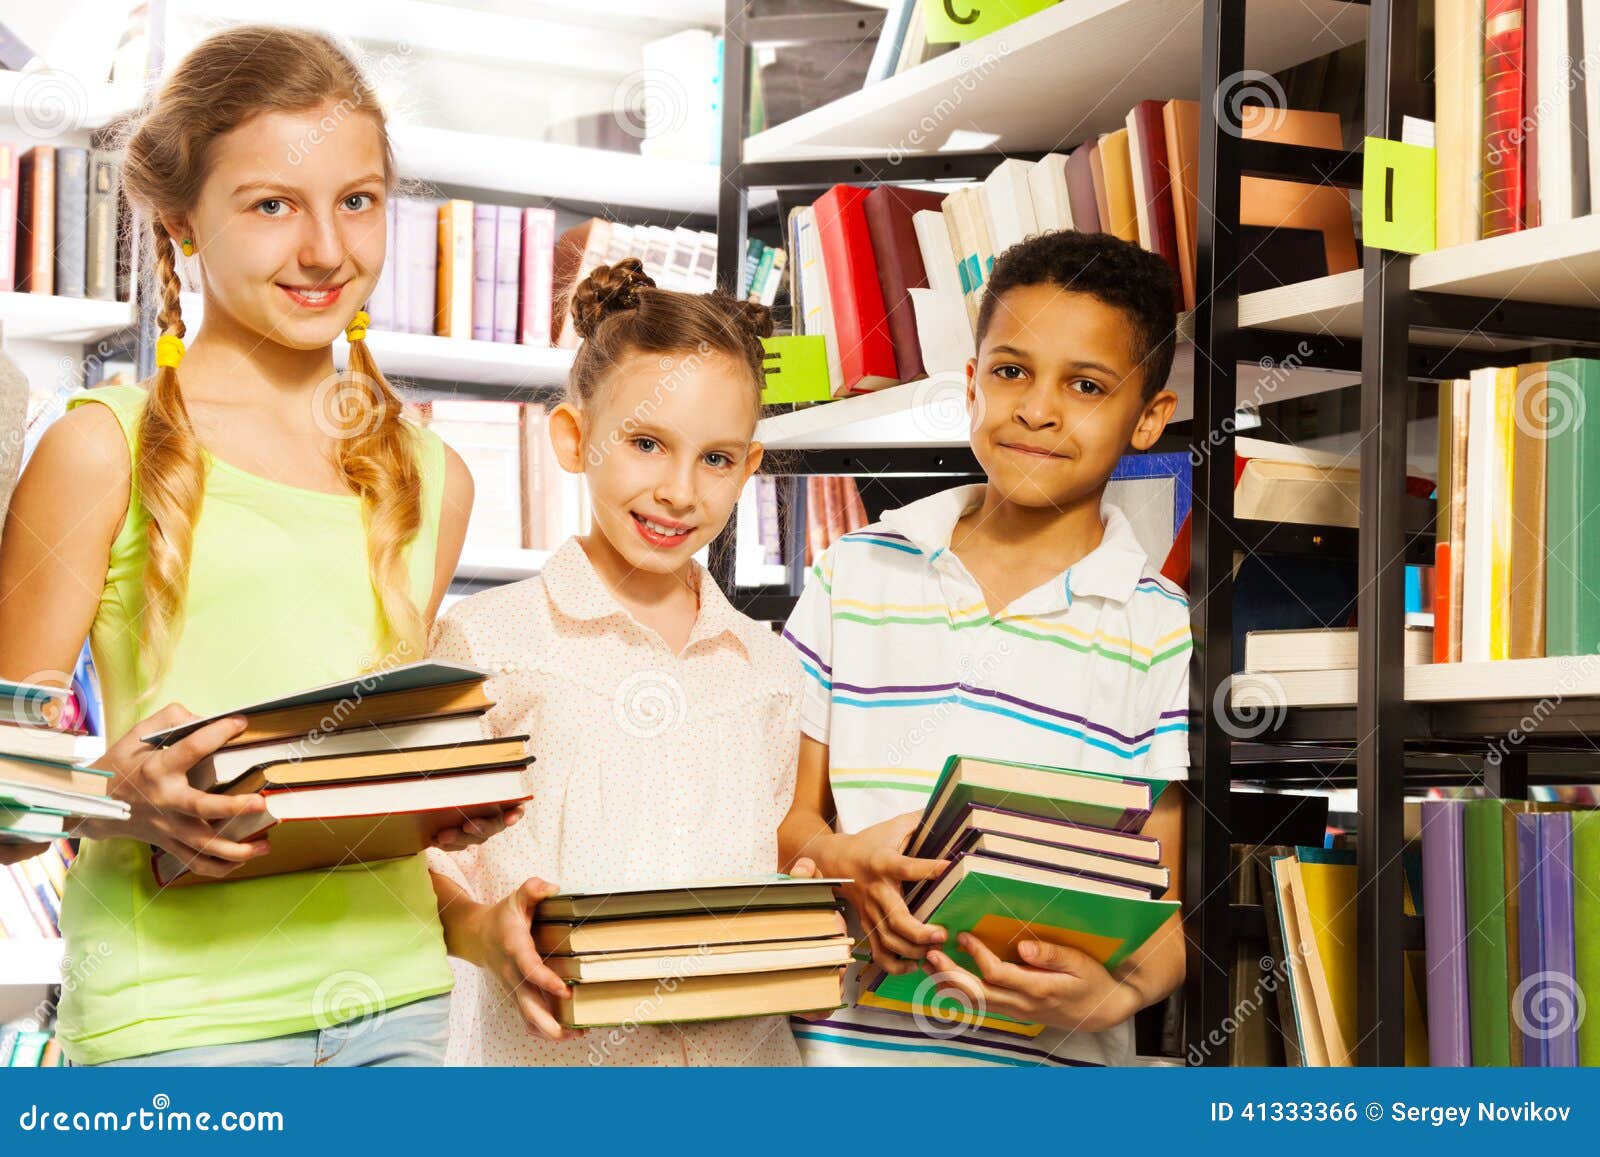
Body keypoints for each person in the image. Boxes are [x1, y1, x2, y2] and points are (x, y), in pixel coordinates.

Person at [0, 25, 516, 1065]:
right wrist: (118, 796)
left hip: (404, 1006)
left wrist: (439, 816)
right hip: (175, 1028)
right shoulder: (100, 447)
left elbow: (359, 774)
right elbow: (8, 799)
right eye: (273, 203)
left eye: (357, 199)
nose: (326, 248)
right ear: (183, 218)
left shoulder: (435, 476)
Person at [778, 229, 1191, 1067]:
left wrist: (1114, 993)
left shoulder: (1157, 628)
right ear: (970, 384)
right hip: (834, 1073)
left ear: (1148, 417)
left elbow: (1160, 913)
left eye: (1085, 385)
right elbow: (785, 823)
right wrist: (838, 863)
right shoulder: (854, 573)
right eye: (1011, 371)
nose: (1037, 408)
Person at [428, 259, 810, 1065]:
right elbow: (415, 861)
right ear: (574, 439)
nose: (678, 490)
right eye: (646, 443)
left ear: (748, 468)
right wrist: (481, 933)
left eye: (715, 459)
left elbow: (773, 862)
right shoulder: (487, 642)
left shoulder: (770, 670)